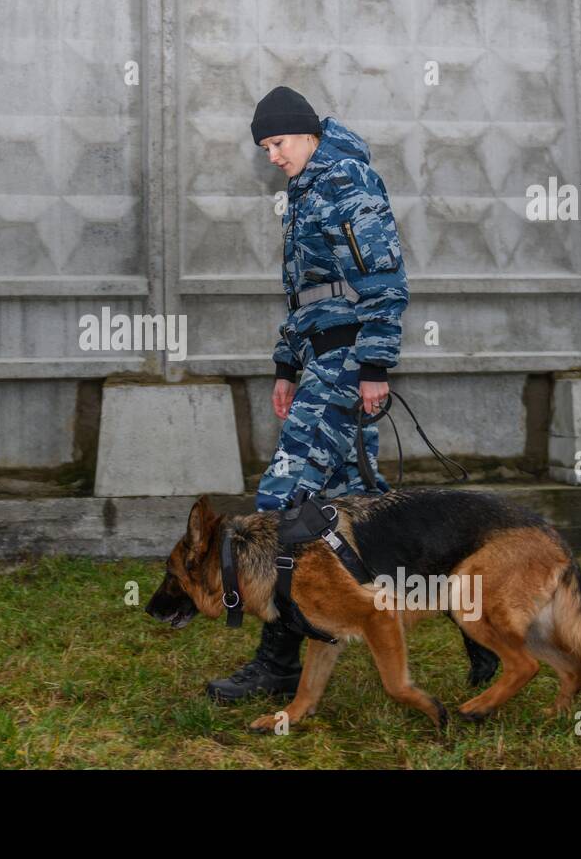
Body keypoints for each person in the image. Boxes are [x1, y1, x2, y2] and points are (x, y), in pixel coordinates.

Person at [206, 86, 409, 702]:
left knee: (284, 503)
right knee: (358, 507)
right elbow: (306, 297)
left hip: (346, 363)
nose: (272, 155)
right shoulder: (305, 190)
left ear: (308, 133)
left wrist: (374, 365)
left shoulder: (345, 180)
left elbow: (384, 281)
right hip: (321, 359)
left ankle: (277, 664)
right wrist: (285, 367)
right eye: (264, 147)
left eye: (279, 142)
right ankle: (471, 634)